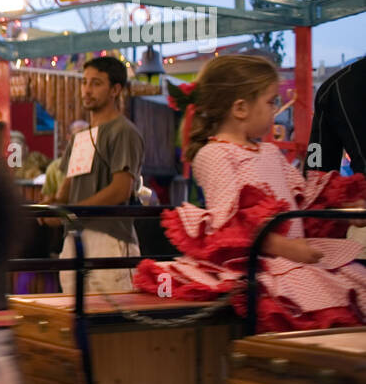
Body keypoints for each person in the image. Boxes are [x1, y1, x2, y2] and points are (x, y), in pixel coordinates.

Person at [134, 54, 366, 331]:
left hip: (290, 262)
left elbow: (302, 199)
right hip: (257, 264)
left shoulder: (269, 152)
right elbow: (228, 222)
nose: (275, 109)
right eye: (270, 102)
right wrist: (283, 246)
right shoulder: (215, 154)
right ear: (241, 108)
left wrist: (341, 212)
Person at [41, 56, 145, 294]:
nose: (87, 90)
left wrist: (71, 212)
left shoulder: (123, 131)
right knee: (72, 318)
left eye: (96, 83)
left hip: (109, 239)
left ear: (115, 90)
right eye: (84, 82)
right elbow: (67, 188)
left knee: (109, 323)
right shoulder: (80, 137)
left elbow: (121, 190)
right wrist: (52, 206)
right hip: (74, 238)